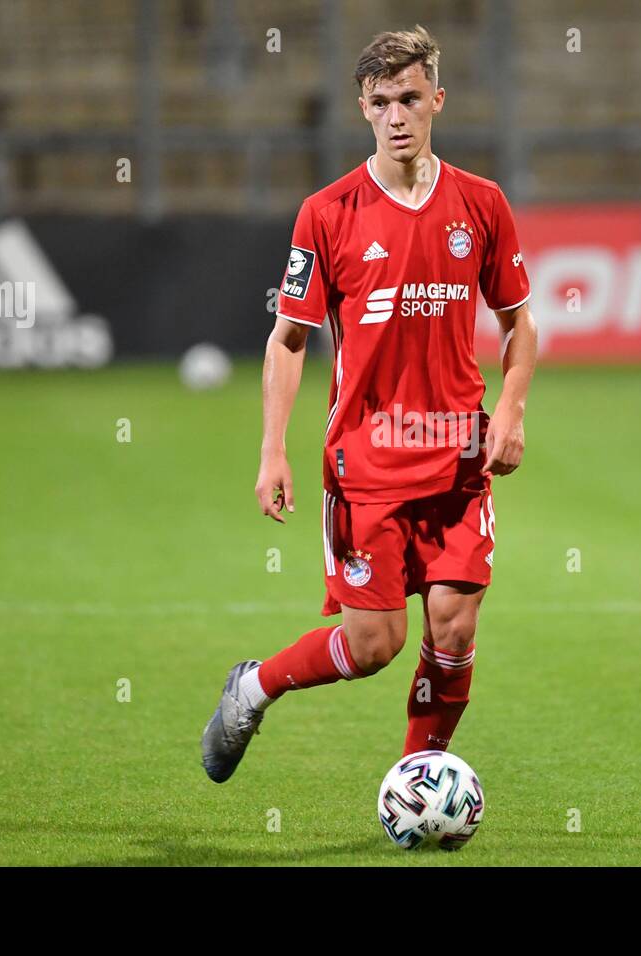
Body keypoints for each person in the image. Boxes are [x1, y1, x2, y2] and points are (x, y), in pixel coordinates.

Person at [202, 24, 538, 783]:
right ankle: (253, 687)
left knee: (453, 627)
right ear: (363, 107)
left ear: (437, 101)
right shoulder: (328, 214)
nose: (396, 115)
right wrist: (271, 449)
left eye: (410, 98)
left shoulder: (481, 205)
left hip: (458, 457)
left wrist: (511, 410)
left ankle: (421, 779)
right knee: (373, 646)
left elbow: (520, 327)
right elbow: (288, 340)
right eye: (381, 101)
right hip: (367, 464)